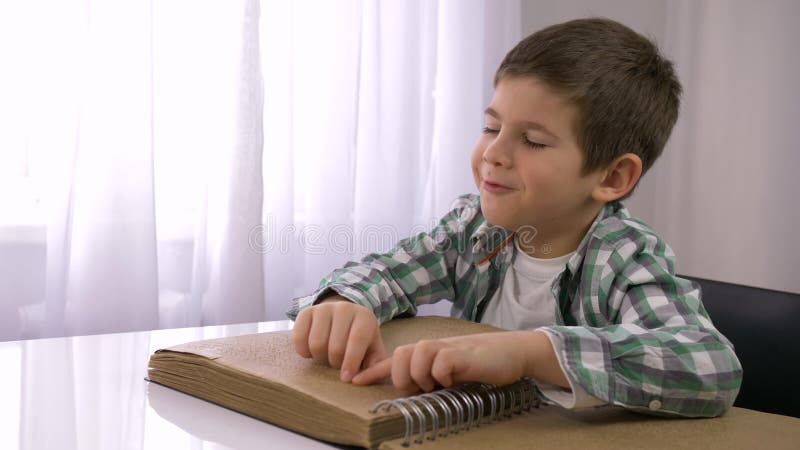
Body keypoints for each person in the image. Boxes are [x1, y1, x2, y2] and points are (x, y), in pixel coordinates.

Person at [287, 17, 742, 417]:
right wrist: (343, 303)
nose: (494, 153)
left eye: (534, 141)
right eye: (491, 127)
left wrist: (530, 352)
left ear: (613, 175)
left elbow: (710, 365)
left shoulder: (625, 256)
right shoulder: (476, 230)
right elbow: (386, 272)